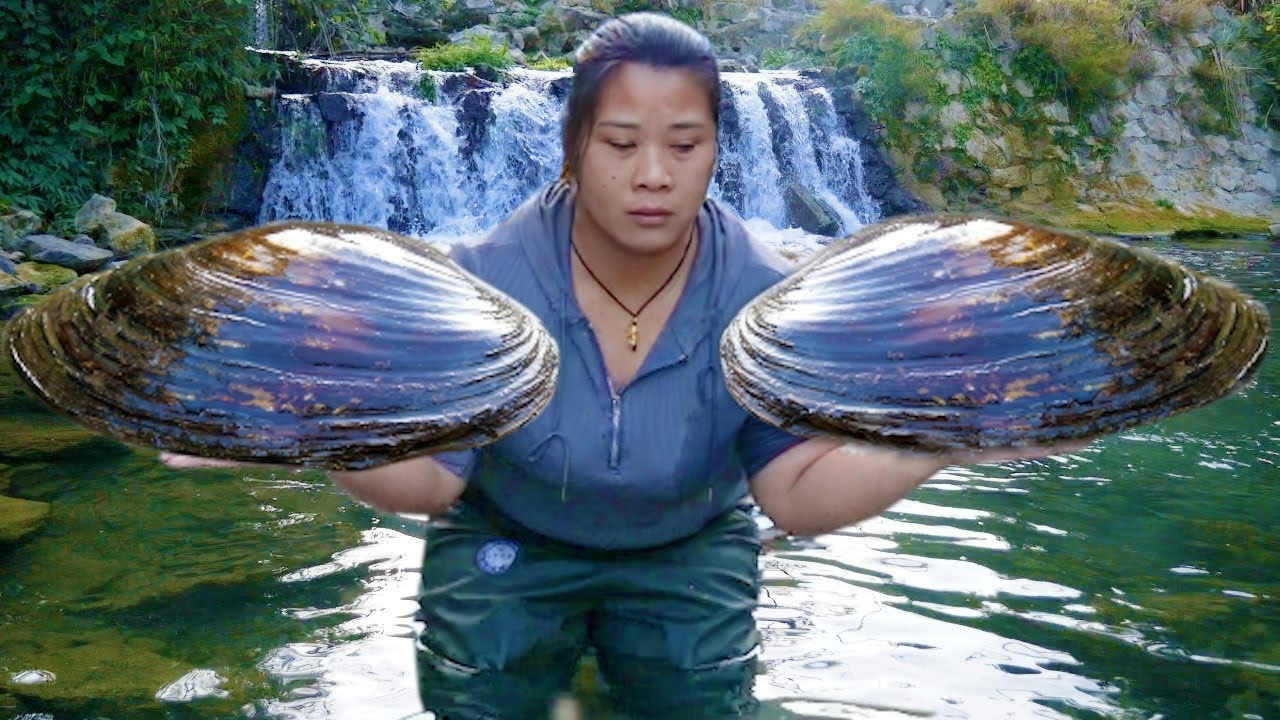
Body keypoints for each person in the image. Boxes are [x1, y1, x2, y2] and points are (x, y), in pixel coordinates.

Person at [167, 12, 1083, 719]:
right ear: (571, 147)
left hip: (689, 545)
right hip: (508, 541)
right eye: (620, 144)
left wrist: (941, 436)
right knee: (482, 687)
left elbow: (796, 496)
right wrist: (314, 432)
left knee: (697, 693)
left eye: (684, 146)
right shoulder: (479, 280)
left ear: (717, 149)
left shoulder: (765, 293)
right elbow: (433, 484)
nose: (653, 174)